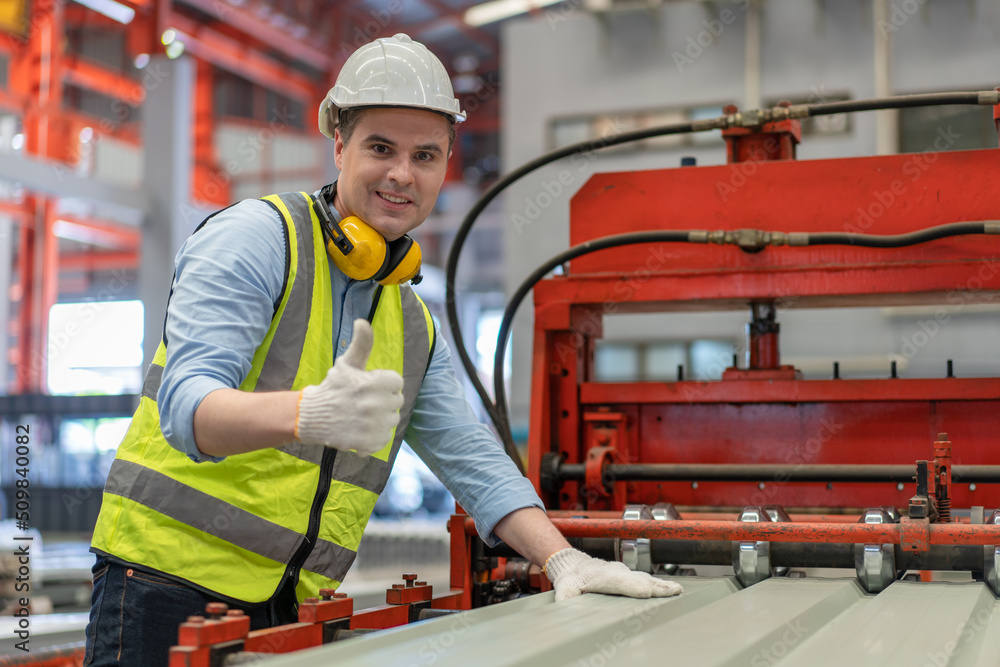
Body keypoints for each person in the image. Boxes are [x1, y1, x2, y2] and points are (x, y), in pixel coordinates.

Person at [83, 33, 681, 666]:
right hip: (160, 590)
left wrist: (563, 559)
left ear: (446, 164)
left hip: (291, 607)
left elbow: (471, 456)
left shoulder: (411, 323)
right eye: (380, 148)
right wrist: (305, 413)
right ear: (339, 145)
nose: (402, 173)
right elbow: (186, 409)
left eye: (425, 155)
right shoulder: (258, 240)